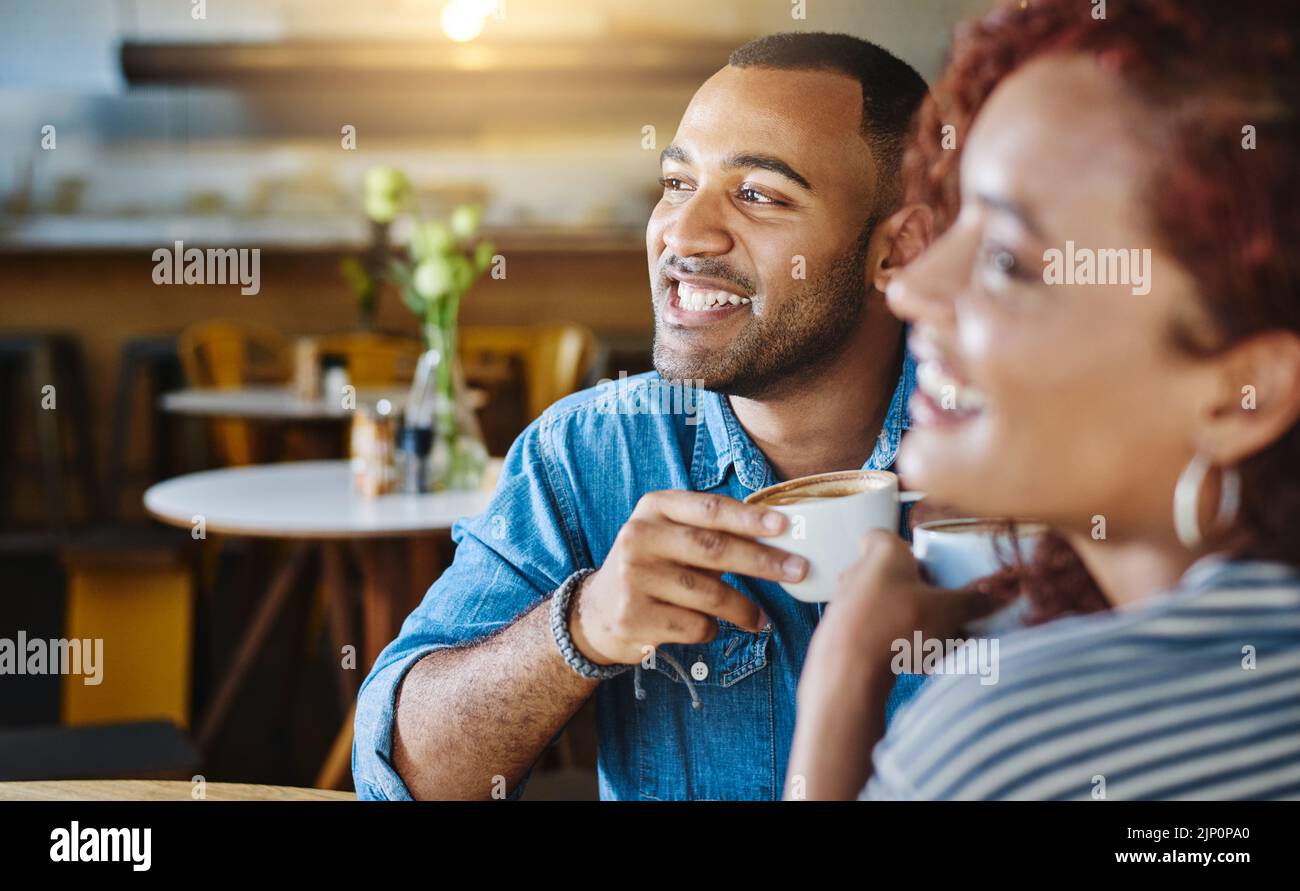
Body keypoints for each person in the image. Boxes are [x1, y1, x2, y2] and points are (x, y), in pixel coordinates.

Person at [352, 31, 934, 800]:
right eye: (676, 182)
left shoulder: (1014, 455)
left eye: (760, 194)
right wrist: (581, 628)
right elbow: (403, 776)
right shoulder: (586, 452)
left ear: (898, 249)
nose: (682, 233)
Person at [788, 0, 1300, 800]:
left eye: (1006, 260)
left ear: (1246, 397)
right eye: (957, 220)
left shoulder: (1012, 740)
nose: (912, 287)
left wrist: (842, 680)